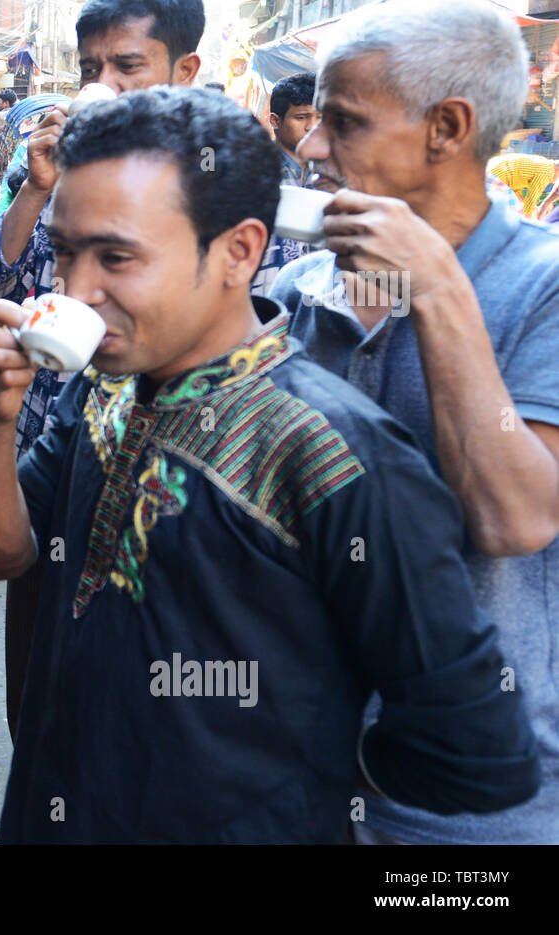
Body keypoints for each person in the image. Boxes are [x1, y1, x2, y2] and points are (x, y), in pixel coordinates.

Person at [0, 87, 539, 844]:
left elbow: (480, 746)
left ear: (239, 250)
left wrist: (303, 767)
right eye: (66, 252)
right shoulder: (102, 390)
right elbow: (6, 554)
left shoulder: (334, 450)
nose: (75, 291)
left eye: (116, 257)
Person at [270, 0, 559, 845]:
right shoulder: (295, 293)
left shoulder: (542, 288)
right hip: (298, 762)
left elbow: (514, 518)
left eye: (344, 121)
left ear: (449, 127)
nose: (310, 147)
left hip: (468, 799)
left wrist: (434, 290)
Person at [0, 0, 204, 735]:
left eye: (128, 66)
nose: (105, 85)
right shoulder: (64, 179)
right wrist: (35, 188)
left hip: (178, 523)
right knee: (44, 706)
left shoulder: (228, 184)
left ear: (183, 72)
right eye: (93, 68)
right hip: (57, 463)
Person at [251, 72, 319, 295]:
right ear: (275, 121)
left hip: (305, 295)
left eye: (319, 117)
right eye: (301, 118)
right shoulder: (256, 168)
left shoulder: (326, 175)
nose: (312, 127)